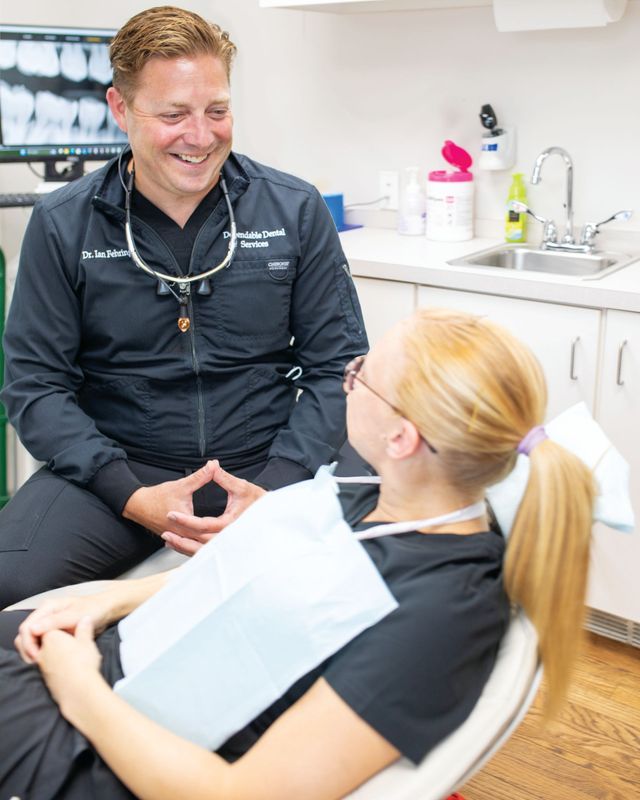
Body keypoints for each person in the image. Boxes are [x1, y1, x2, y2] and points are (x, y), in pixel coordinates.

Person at [0, 308, 595, 799]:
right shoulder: (376, 497)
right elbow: (244, 572)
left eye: (359, 374)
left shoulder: (442, 612)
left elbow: (239, 792)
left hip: (112, 753)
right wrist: (107, 602)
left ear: (401, 438)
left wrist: (77, 686)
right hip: (112, 661)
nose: (346, 381)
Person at [0, 6, 368, 607]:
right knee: (8, 584)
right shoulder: (64, 223)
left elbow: (341, 368)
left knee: (384, 576)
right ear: (121, 108)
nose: (200, 136)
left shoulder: (293, 210)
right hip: (124, 469)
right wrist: (129, 493)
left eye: (216, 111)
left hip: (269, 461)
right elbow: (35, 387)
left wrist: (278, 485)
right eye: (173, 115)